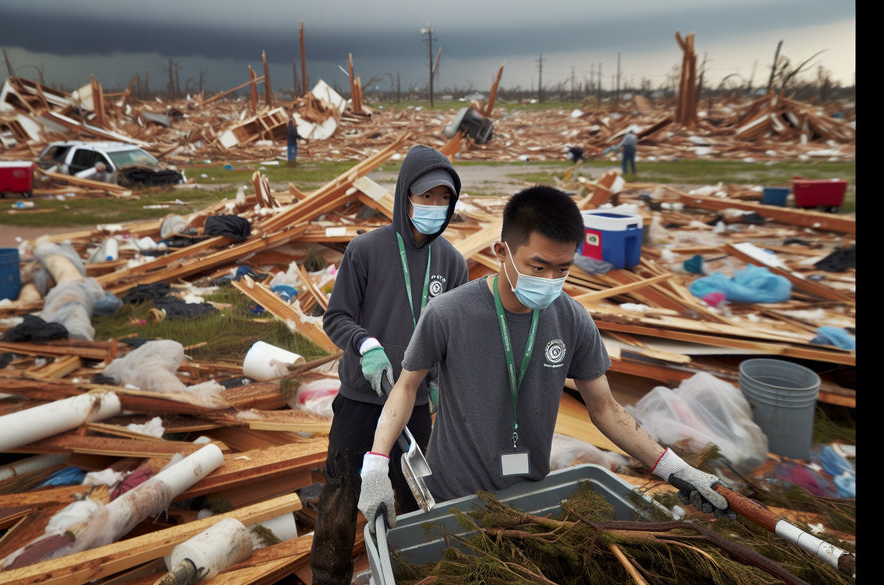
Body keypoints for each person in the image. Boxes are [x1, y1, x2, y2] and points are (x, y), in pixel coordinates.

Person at [358, 185, 736, 530]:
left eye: (563, 270)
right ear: (501, 251)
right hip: (450, 497)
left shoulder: (571, 319)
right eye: (538, 267)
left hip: (528, 498)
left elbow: (605, 408)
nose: (550, 280)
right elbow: (407, 388)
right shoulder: (448, 313)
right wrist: (375, 465)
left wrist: (677, 470)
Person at [311, 145, 468, 585]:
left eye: (444, 199)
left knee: (411, 499)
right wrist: (364, 345)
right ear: (405, 195)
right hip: (361, 400)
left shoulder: (453, 263)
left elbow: (450, 335)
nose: (435, 207)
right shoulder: (365, 251)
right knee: (341, 496)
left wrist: (437, 383)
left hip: (414, 407)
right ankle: (329, 577)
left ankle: (404, 575)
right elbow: (336, 317)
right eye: (427, 196)